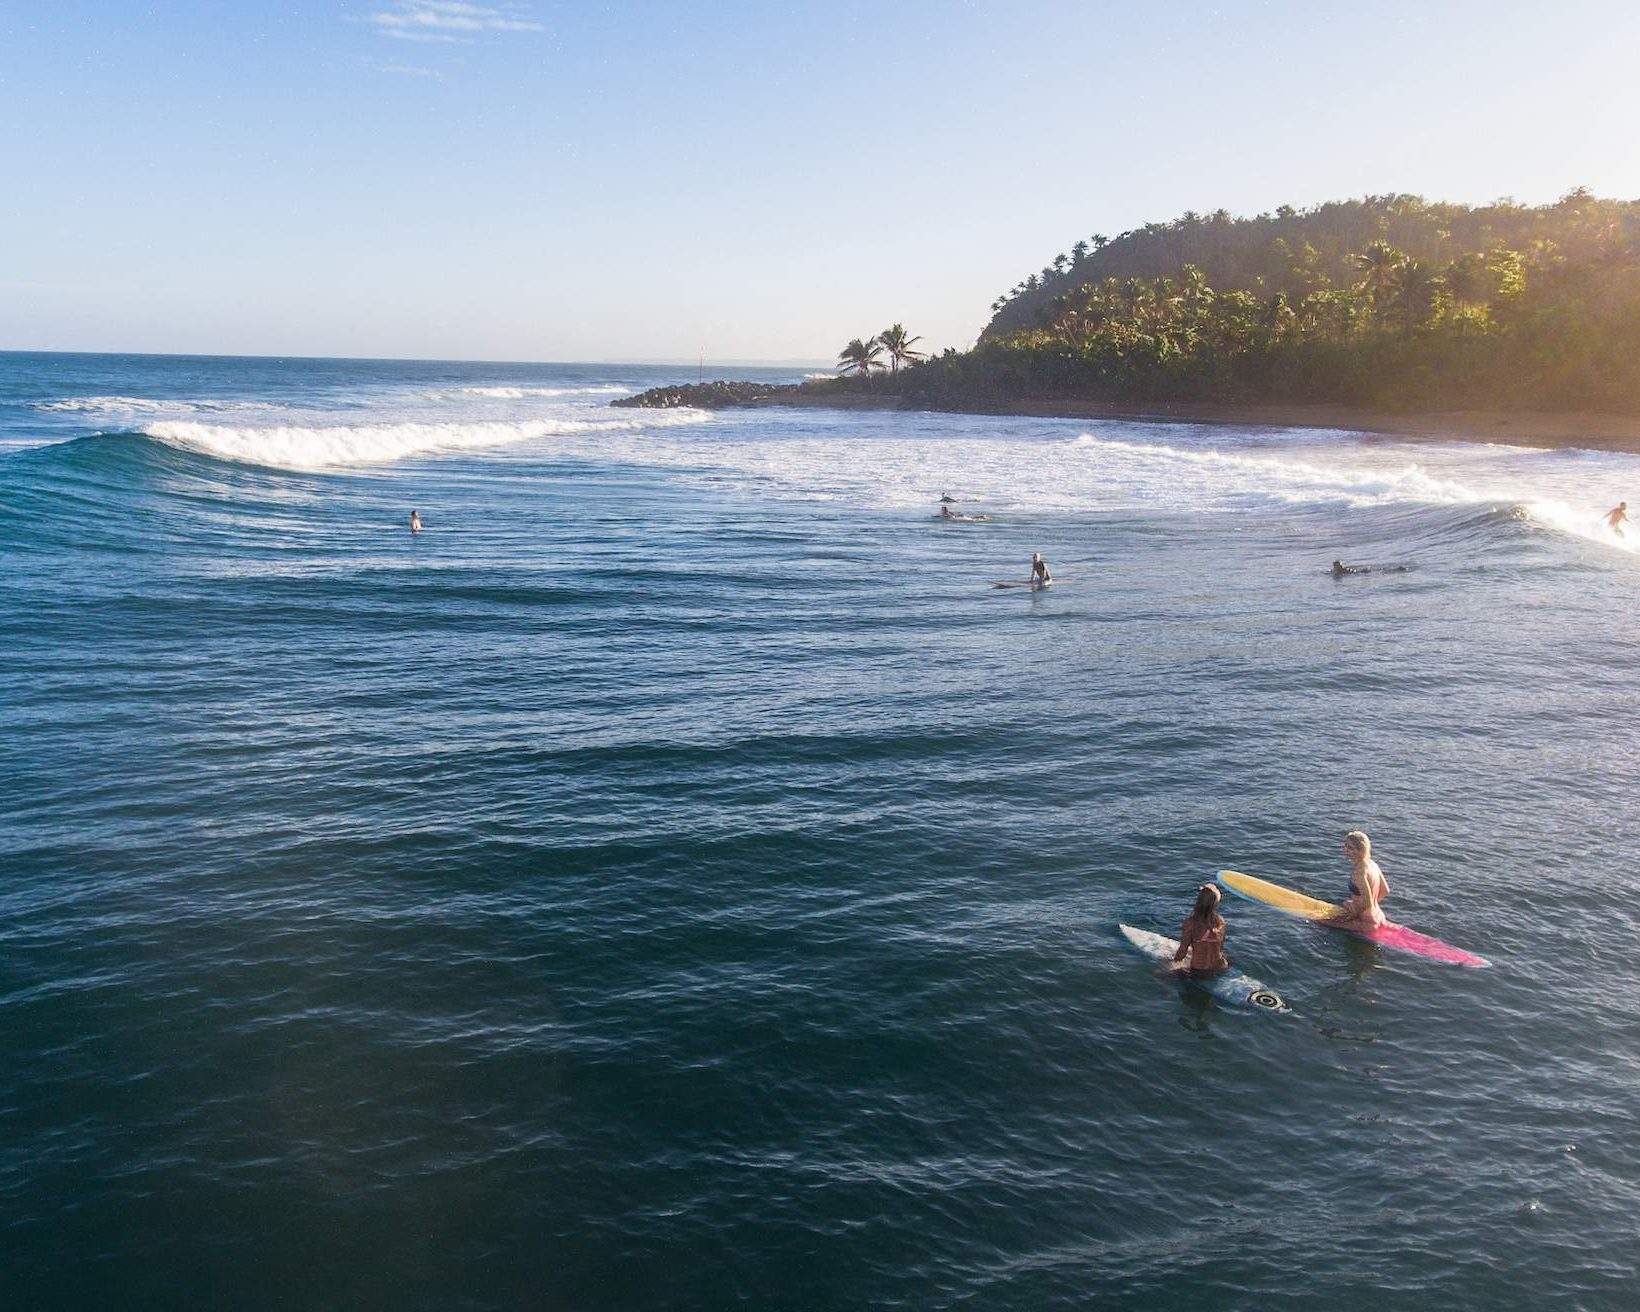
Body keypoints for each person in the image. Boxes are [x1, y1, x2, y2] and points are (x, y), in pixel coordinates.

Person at [1325, 829, 1388, 930]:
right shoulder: (1373, 864)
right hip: (1379, 915)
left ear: (1361, 850)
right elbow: (1385, 891)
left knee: (1320, 921)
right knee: (1346, 903)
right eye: (1345, 845)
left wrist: (1353, 914)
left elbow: (1367, 903)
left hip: (1366, 921)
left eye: (1350, 848)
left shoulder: (1359, 872)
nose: (1345, 850)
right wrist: (1361, 906)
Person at [1172, 884, 1229, 976]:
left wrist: (1172, 965)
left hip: (1200, 970)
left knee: (1162, 974)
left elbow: (1182, 951)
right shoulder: (1221, 921)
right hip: (1220, 967)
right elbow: (1219, 948)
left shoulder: (1191, 923)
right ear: (1216, 904)